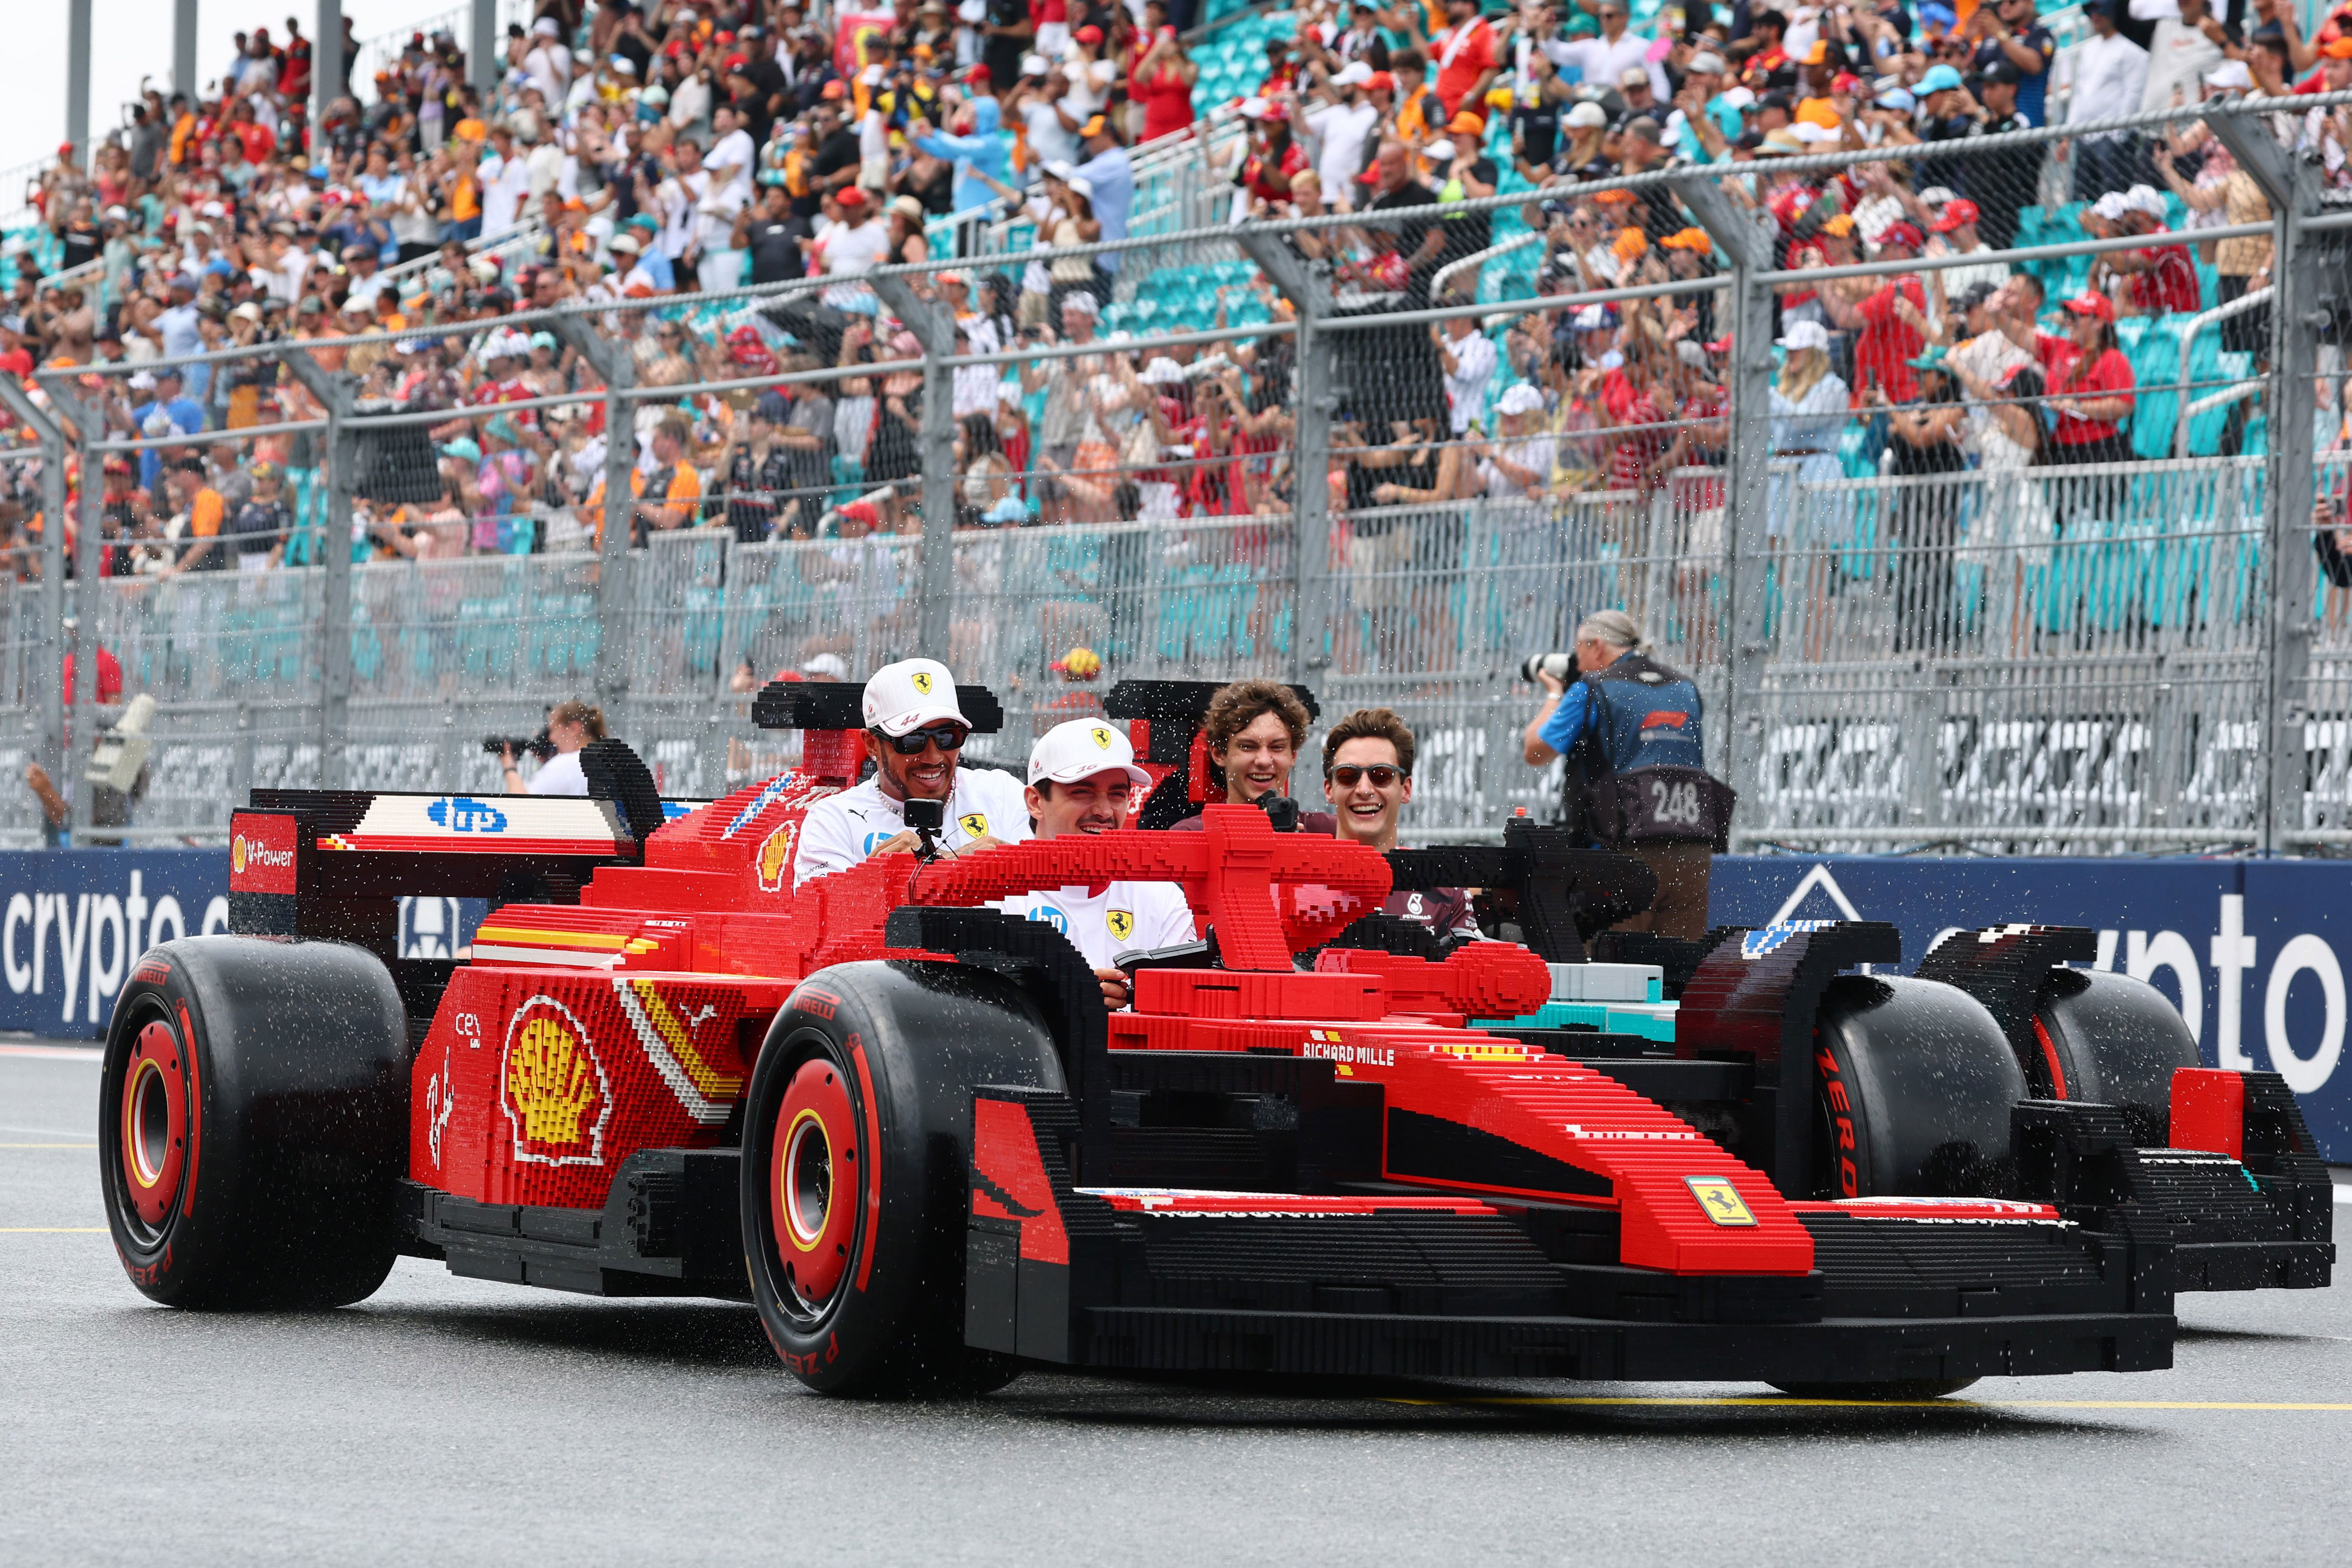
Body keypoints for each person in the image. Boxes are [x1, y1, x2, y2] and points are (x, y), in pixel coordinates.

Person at [1519, 611, 1719, 940]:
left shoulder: (1593, 689)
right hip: (1693, 848)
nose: (1576, 661)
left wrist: (1555, 693)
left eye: (1579, 650)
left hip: (1623, 854)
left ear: (1597, 646)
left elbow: (1535, 750)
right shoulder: (1685, 687)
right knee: (1679, 970)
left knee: (1609, 973)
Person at [998, 719, 1194, 1005]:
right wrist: (1066, 1001)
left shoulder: (1161, 895)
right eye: (1082, 792)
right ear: (1036, 802)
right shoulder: (994, 897)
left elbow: (1181, 1009)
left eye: (1117, 794)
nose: (1104, 811)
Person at [794, 658, 1032, 885]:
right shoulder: (833, 820)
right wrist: (884, 878)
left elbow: (1051, 892)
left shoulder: (1001, 794)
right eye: (912, 740)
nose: (934, 757)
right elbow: (828, 916)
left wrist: (935, 867)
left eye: (948, 736)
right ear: (872, 744)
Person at [1321, 707, 1480, 945]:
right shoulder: (1293, 884)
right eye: (1347, 776)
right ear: (1329, 790)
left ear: (1406, 789)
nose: (1364, 789)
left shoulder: (1445, 889)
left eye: (1381, 775)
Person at [1171, 678, 1333, 829]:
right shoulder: (1189, 834)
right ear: (1219, 754)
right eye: (1248, 747)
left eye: (1277, 747)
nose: (1263, 760)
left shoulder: (1329, 831)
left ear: (1293, 756)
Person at [501, 700, 607, 795]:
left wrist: (509, 767)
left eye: (553, 730)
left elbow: (522, 806)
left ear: (574, 729)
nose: (551, 738)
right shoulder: (606, 760)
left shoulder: (566, 766)